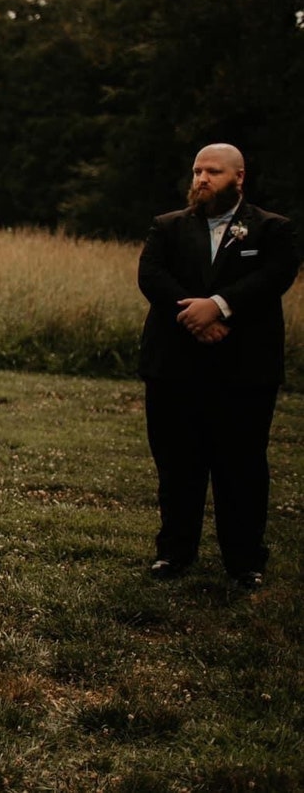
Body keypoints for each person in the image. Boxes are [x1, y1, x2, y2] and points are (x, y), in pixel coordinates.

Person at [137, 143, 299, 589]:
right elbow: (151, 276)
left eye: (213, 171)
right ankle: (174, 553)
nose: (202, 179)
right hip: (174, 366)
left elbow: (274, 277)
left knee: (241, 465)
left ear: (239, 177)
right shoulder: (167, 226)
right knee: (177, 464)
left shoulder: (272, 229)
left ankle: (245, 560)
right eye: (197, 171)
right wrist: (196, 315)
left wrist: (221, 305)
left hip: (243, 369)